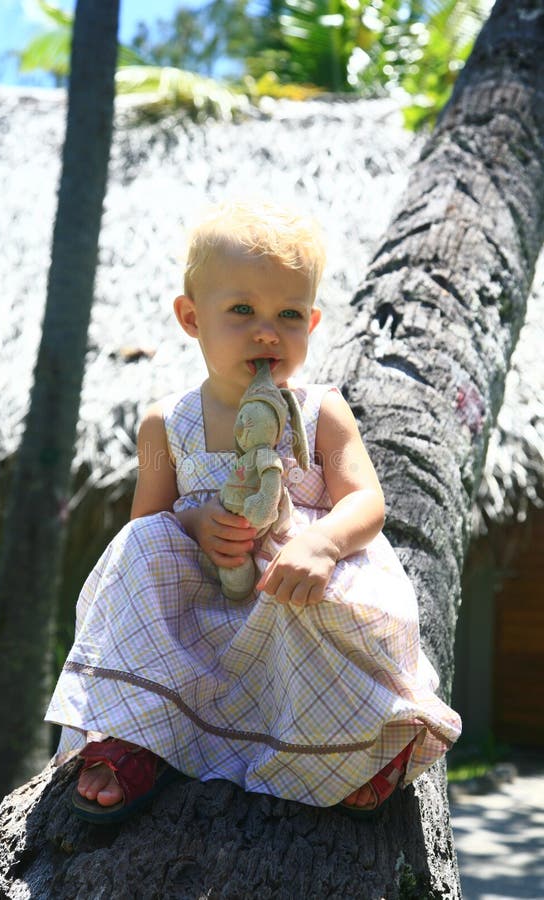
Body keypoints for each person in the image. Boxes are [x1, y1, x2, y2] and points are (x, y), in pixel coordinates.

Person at [46, 199, 461, 824]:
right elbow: (147, 524)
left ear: (312, 323)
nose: (268, 331)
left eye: (288, 315)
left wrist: (321, 544)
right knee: (138, 551)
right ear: (192, 318)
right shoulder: (168, 423)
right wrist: (193, 522)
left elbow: (365, 501)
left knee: (313, 602)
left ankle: (357, 747)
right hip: (205, 603)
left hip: (293, 587)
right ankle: (136, 731)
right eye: (242, 310)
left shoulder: (321, 410)